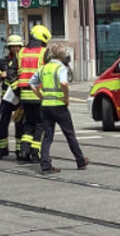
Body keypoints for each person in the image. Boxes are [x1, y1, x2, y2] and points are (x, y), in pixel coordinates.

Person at [31, 44, 89, 174]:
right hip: (59, 106)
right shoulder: (60, 68)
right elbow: (63, 83)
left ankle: (45, 165)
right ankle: (80, 161)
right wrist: (66, 98)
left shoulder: (44, 68)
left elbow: (32, 83)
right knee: (69, 134)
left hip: (45, 106)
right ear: (62, 55)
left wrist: (41, 96)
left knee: (47, 137)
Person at [15, 25, 52, 161]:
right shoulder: (44, 52)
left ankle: (24, 151)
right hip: (38, 94)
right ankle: (35, 152)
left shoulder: (22, 52)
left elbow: (16, 71)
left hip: (24, 95)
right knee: (40, 124)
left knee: (28, 124)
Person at [0, 34, 23, 159]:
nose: (15, 49)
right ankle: (2, 149)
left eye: (17, 46)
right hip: (6, 98)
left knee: (20, 124)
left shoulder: (23, 60)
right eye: (13, 46)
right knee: (2, 122)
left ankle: (20, 151)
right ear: (9, 47)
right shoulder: (3, 61)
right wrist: (0, 76)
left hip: (19, 97)